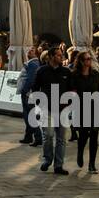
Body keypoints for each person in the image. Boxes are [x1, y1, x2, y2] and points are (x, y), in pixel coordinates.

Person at [32, 45, 71, 175]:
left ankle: (58, 165)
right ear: (51, 57)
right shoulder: (41, 71)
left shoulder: (66, 72)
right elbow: (35, 88)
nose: (62, 57)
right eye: (59, 55)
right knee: (48, 135)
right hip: (46, 109)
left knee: (61, 139)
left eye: (62, 55)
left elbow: (71, 89)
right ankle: (48, 159)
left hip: (63, 109)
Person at [69, 50, 99, 173]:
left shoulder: (96, 74)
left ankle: (92, 164)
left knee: (94, 136)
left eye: (90, 59)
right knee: (83, 136)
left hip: (94, 107)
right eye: (86, 59)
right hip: (81, 108)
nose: (89, 61)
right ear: (81, 61)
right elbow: (72, 92)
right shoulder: (74, 75)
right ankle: (80, 153)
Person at [16, 47, 43, 146]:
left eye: (32, 50)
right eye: (28, 50)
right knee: (28, 114)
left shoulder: (33, 63)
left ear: (35, 54)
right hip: (29, 92)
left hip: (28, 93)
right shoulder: (32, 63)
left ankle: (38, 136)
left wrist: (25, 90)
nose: (29, 51)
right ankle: (28, 136)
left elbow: (31, 79)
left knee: (29, 115)